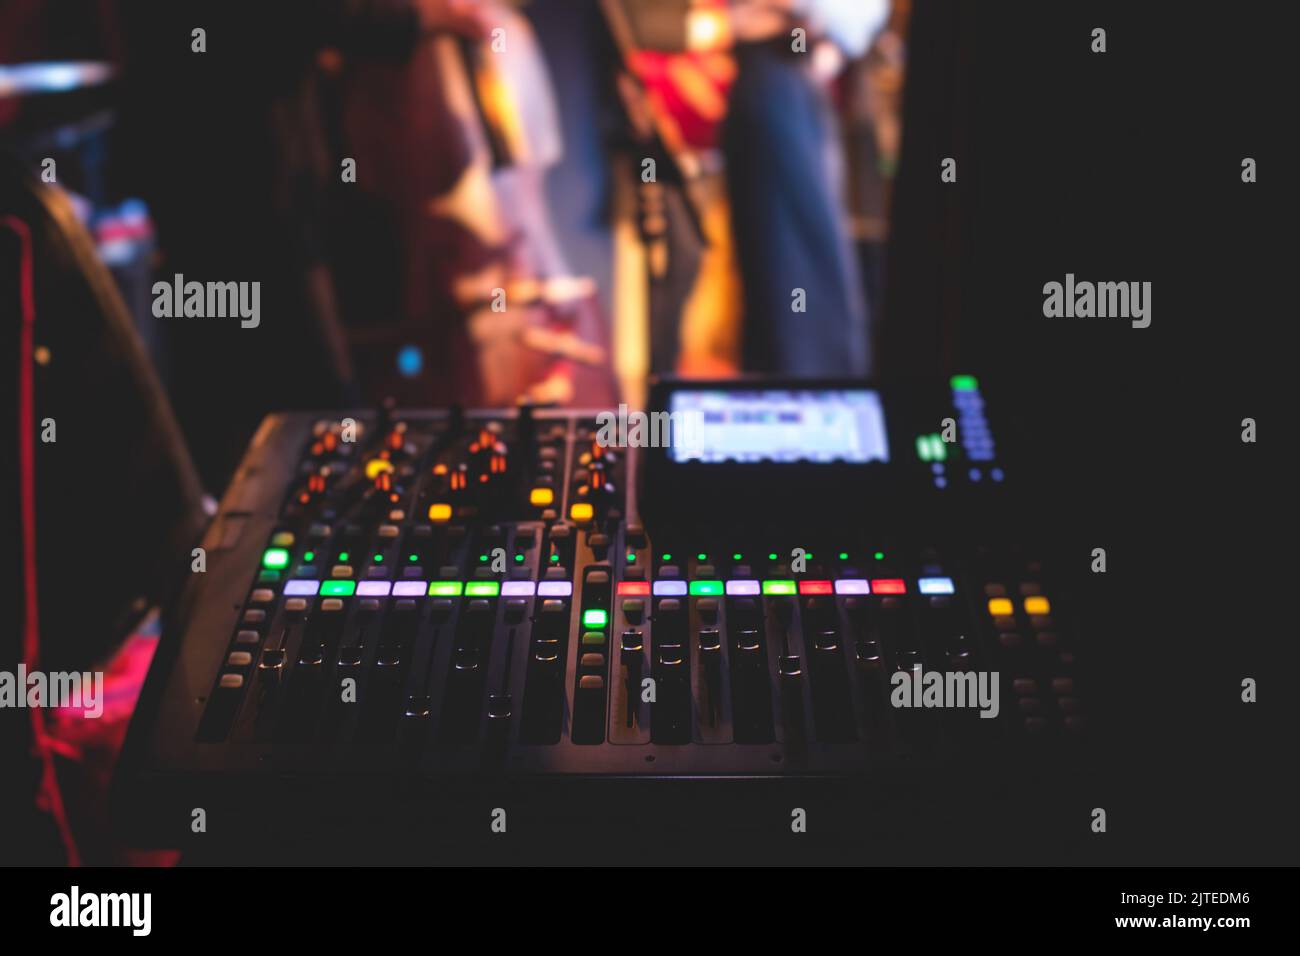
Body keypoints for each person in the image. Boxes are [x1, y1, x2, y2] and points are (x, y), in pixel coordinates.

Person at [722, 0, 888, 377]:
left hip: (788, 76)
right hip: (770, 77)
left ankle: (814, 397)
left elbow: (855, 19)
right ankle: (786, 393)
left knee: (802, 259)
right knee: (781, 260)